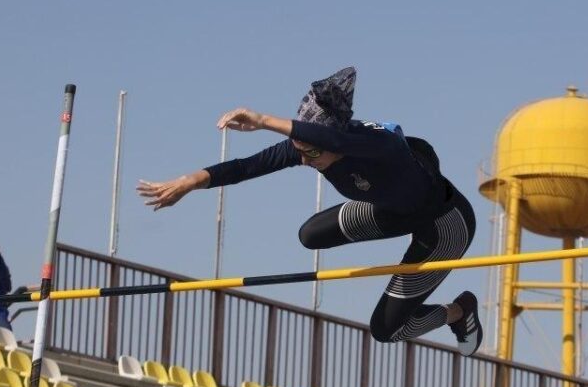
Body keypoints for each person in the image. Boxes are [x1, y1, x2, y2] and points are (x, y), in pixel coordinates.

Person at [137, 66, 483, 356]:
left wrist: (262, 119)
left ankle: (458, 312)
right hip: (389, 211)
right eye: (299, 150)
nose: (304, 159)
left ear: (331, 140)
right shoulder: (309, 147)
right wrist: (187, 182)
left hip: (442, 224)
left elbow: (337, 142)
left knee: (387, 329)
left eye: (312, 153)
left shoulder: (380, 146)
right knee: (311, 235)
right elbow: (247, 167)